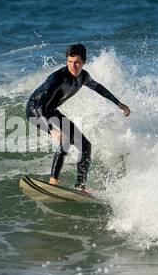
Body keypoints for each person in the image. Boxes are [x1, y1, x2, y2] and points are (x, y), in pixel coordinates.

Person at [25, 43, 130, 191]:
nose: (72, 66)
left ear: (83, 62)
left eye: (77, 63)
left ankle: (81, 186)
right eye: (69, 62)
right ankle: (53, 182)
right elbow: (40, 106)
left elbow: (98, 88)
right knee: (65, 139)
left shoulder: (84, 77)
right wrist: (51, 130)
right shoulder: (57, 78)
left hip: (50, 110)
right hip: (35, 110)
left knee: (85, 146)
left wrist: (119, 104)